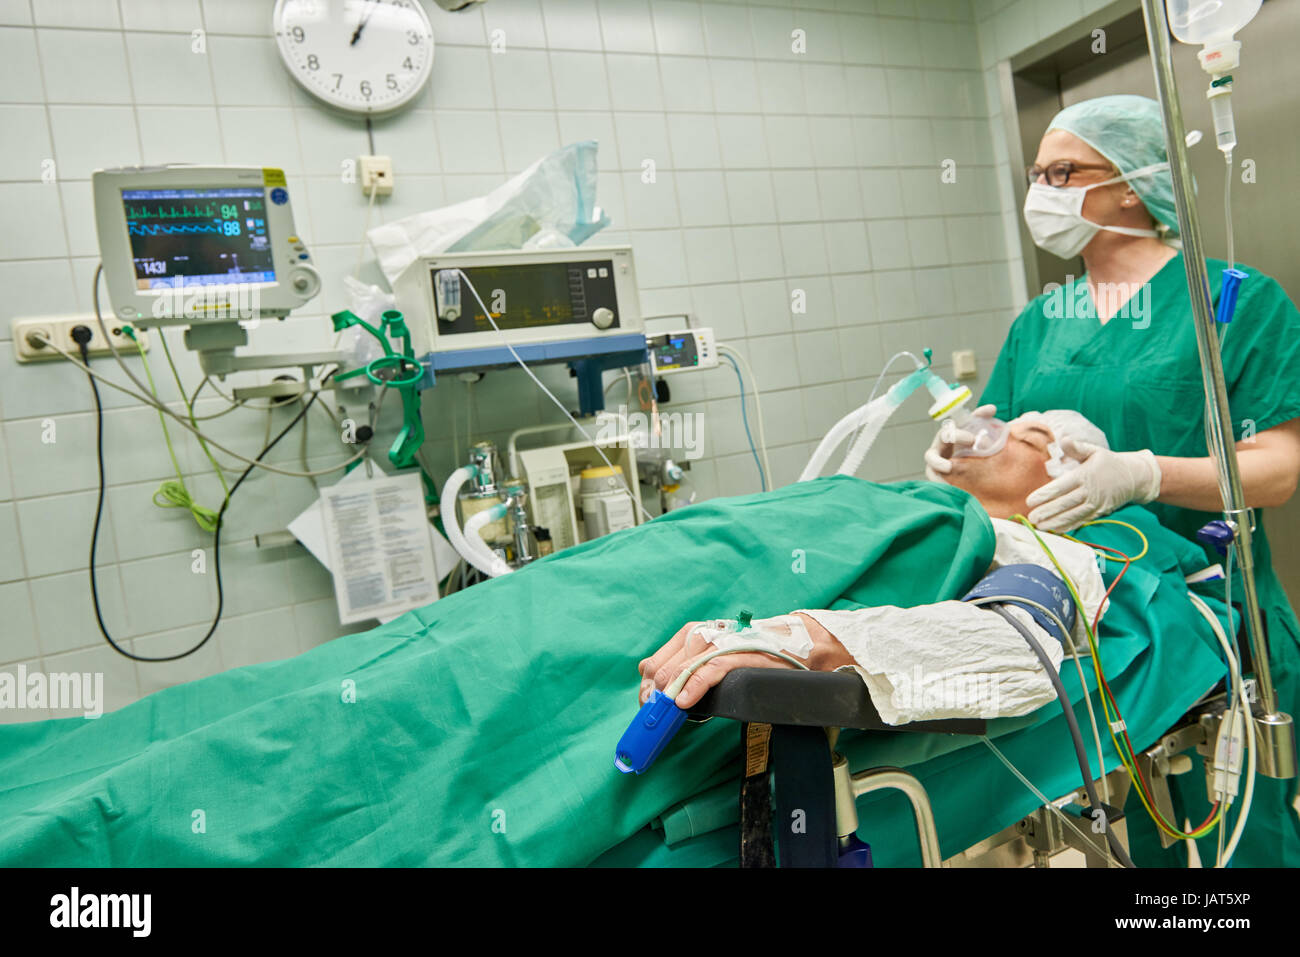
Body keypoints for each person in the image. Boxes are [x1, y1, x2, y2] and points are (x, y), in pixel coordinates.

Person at [925, 94, 1300, 867]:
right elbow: (1011, 445)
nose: (1043, 193)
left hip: (1216, 613)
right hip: (1095, 622)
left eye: (1062, 172)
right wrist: (963, 452)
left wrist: (1142, 474)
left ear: (1134, 182)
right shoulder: (1042, 316)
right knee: (1135, 831)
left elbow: (1282, 468)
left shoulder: (1233, 299)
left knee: (1246, 834)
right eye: (1036, 175)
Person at [642, 411, 1111, 714]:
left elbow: (1010, 641)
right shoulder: (915, 505)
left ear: (1067, 485)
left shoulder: (1034, 553)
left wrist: (806, 640)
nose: (992, 432)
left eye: (1026, 436)